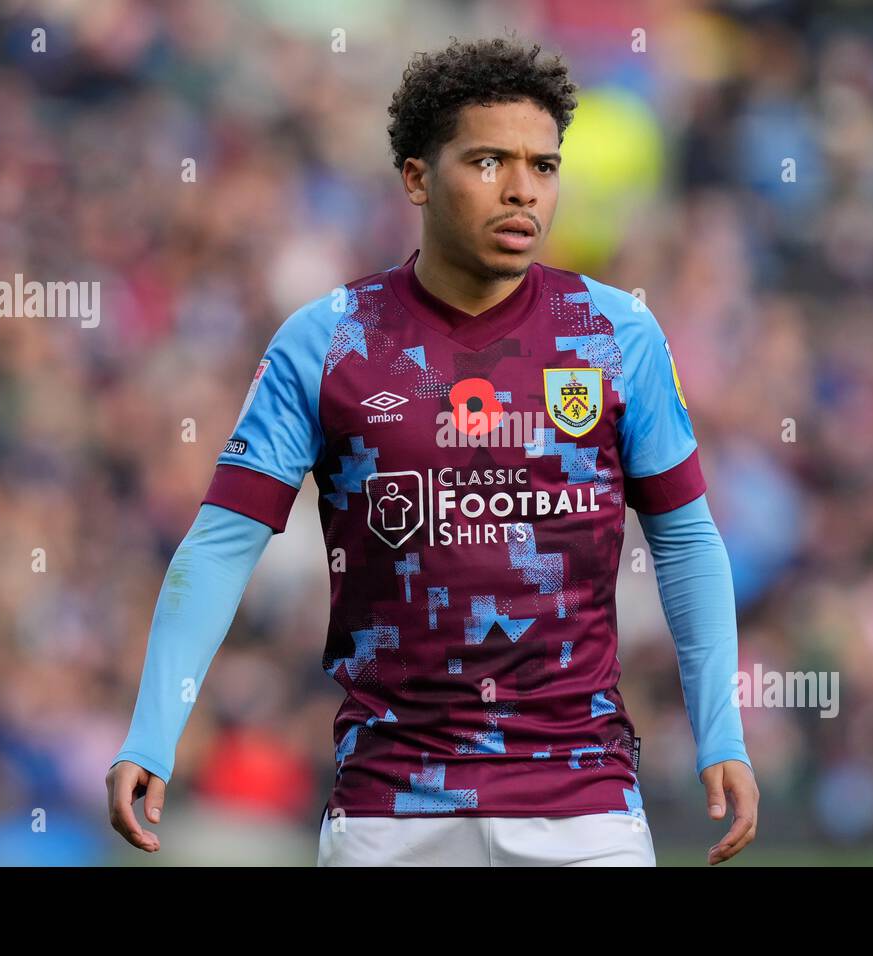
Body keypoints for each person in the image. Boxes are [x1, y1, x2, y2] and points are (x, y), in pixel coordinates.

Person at [106, 35, 758, 866]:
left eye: (545, 166)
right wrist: (153, 734)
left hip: (583, 806)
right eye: (489, 161)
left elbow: (687, 539)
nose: (523, 189)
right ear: (417, 176)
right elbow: (221, 545)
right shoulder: (329, 341)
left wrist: (721, 732)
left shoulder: (614, 334)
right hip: (389, 810)